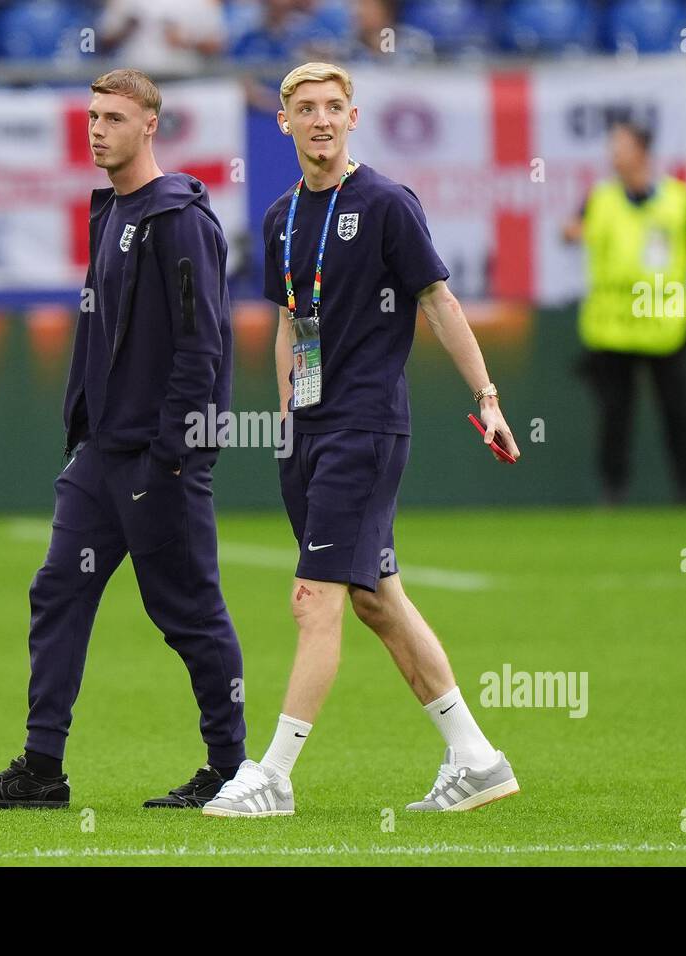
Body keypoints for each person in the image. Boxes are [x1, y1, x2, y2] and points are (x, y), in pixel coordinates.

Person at [202, 62, 520, 818]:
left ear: (354, 117)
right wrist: (285, 416)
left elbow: (437, 300)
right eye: (305, 108)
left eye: (333, 107)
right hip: (307, 432)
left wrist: (489, 396)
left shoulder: (385, 204)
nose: (320, 120)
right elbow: (289, 323)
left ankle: (273, 776)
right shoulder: (280, 218)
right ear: (283, 122)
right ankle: (477, 759)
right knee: (378, 600)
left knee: (316, 601)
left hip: (365, 429)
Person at [0, 69, 247, 810]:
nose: (97, 128)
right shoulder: (110, 211)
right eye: (91, 115)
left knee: (186, 612)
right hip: (101, 457)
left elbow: (201, 345)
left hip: (158, 458)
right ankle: (42, 769)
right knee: (57, 591)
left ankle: (235, 770)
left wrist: (174, 452)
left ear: (151, 125)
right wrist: (84, 432)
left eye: (114, 117)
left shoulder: (178, 217)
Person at [563, 119, 686, 505]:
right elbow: (570, 229)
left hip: (663, 327)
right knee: (614, 418)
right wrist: (573, 232)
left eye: (620, 145)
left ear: (641, 151)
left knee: (677, 415)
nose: (613, 154)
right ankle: (613, 494)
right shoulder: (600, 198)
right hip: (612, 328)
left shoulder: (679, 200)